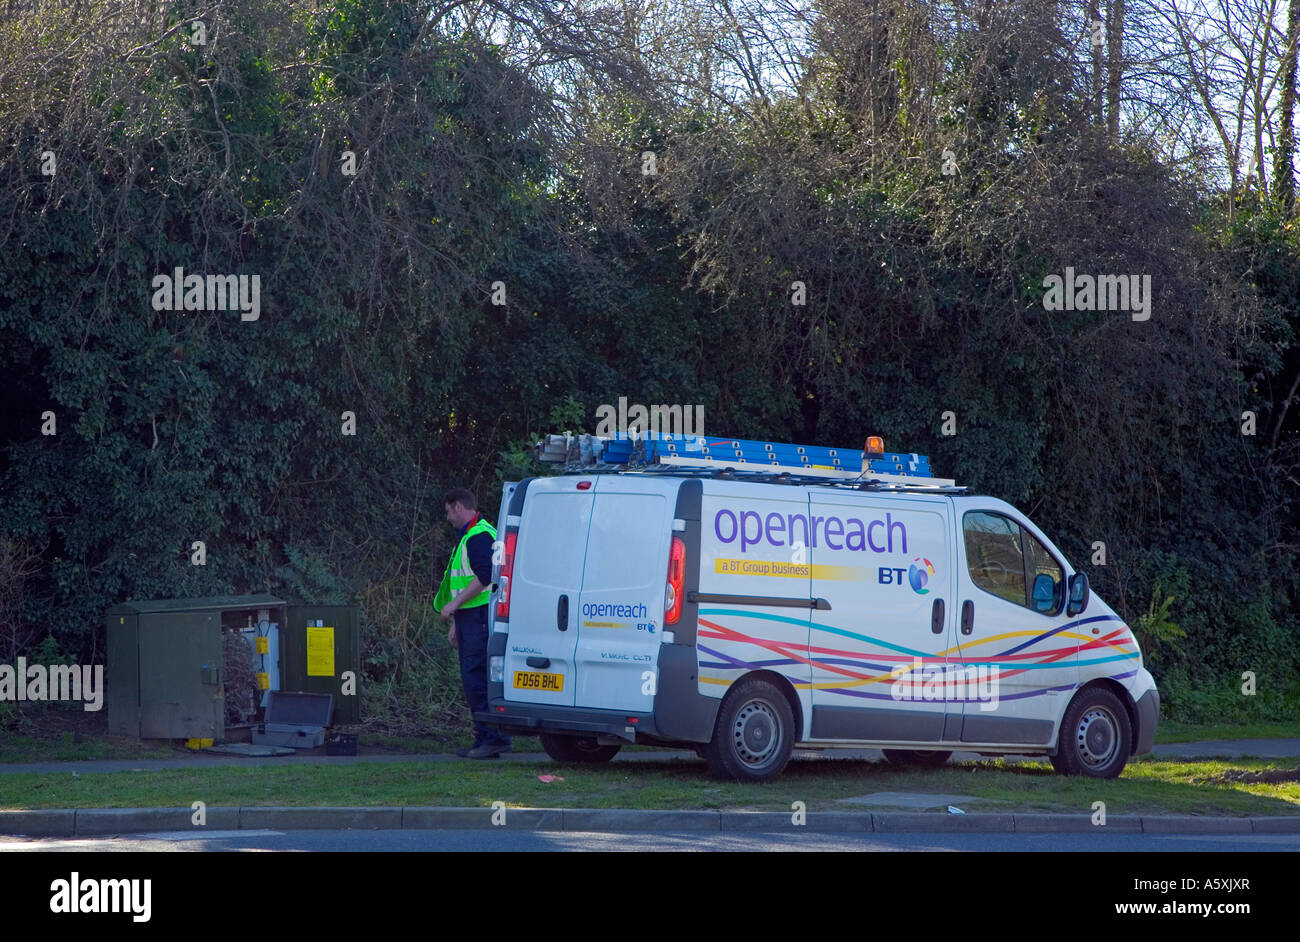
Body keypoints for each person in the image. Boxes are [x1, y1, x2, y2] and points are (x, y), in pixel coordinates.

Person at [435, 487, 511, 758]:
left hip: (478, 617)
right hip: (471, 618)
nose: (447, 518)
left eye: (448, 511)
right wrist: (457, 620)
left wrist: (455, 605)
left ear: (458, 506)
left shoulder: (478, 535)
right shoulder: (473, 533)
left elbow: (484, 576)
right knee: (474, 678)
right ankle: (486, 738)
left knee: (476, 677)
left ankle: (492, 738)